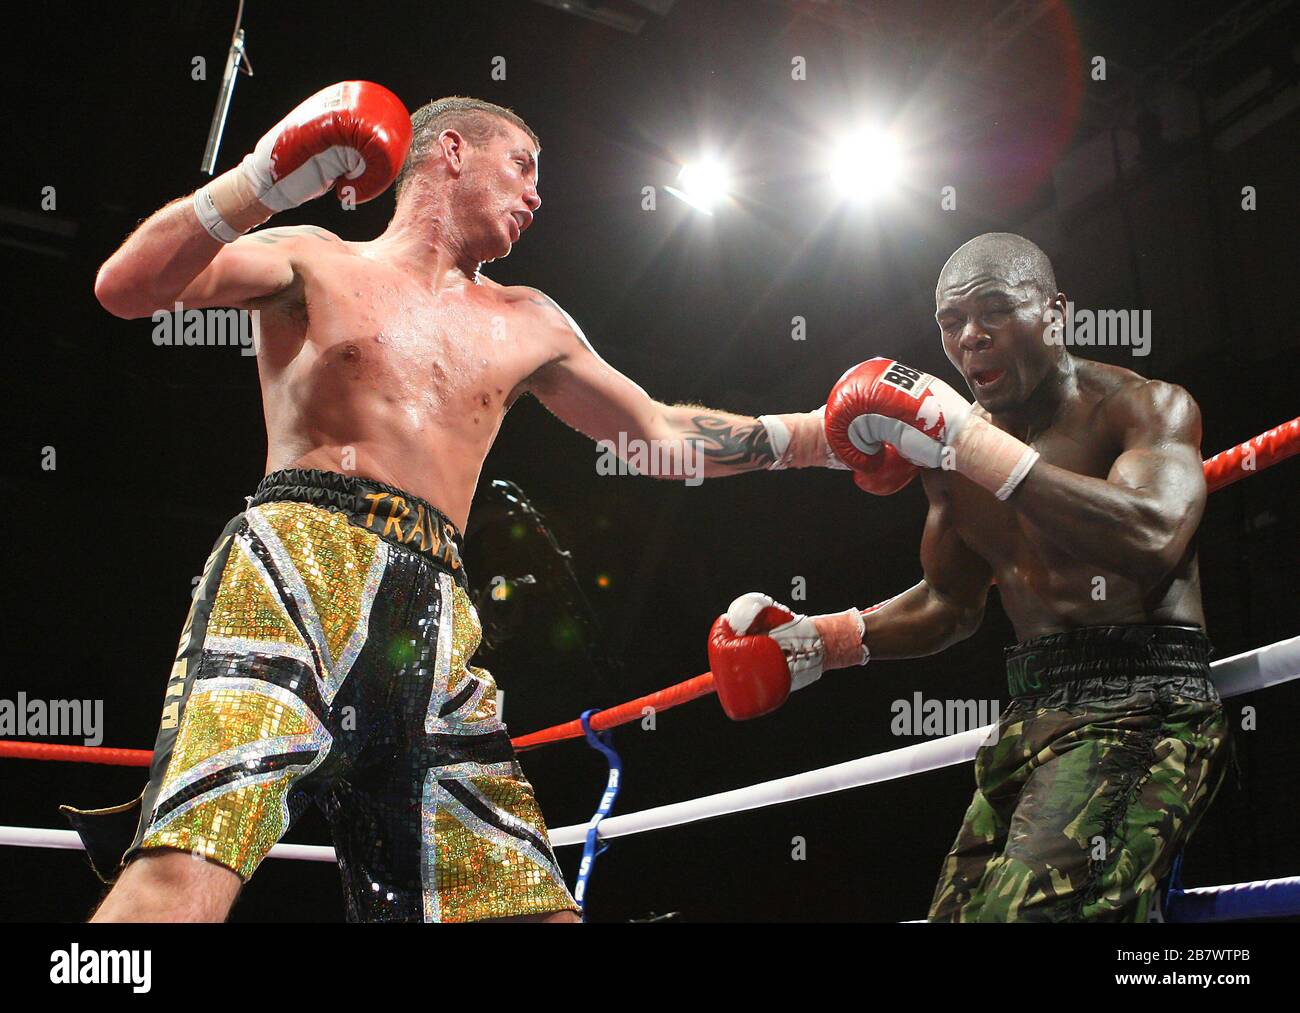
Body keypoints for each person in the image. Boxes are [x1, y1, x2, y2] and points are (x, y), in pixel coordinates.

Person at [69, 81, 844, 923]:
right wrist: (262, 175)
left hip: (434, 610)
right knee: (191, 863)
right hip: (297, 563)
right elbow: (128, 286)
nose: (536, 194)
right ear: (450, 153)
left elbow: (658, 433)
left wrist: (820, 435)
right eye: (521, 166)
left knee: (528, 907)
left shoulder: (530, 321)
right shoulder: (315, 257)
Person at [708, 232, 1228, 922]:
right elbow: (950, 601)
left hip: (1142, 702)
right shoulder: (954, 449)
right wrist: (818, 641)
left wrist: (978, 449)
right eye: (951, 323)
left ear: (1055, 313)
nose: (970, 338)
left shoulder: (1141, 408)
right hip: (1029, 708)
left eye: (994, 312)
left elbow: (1151, 538)